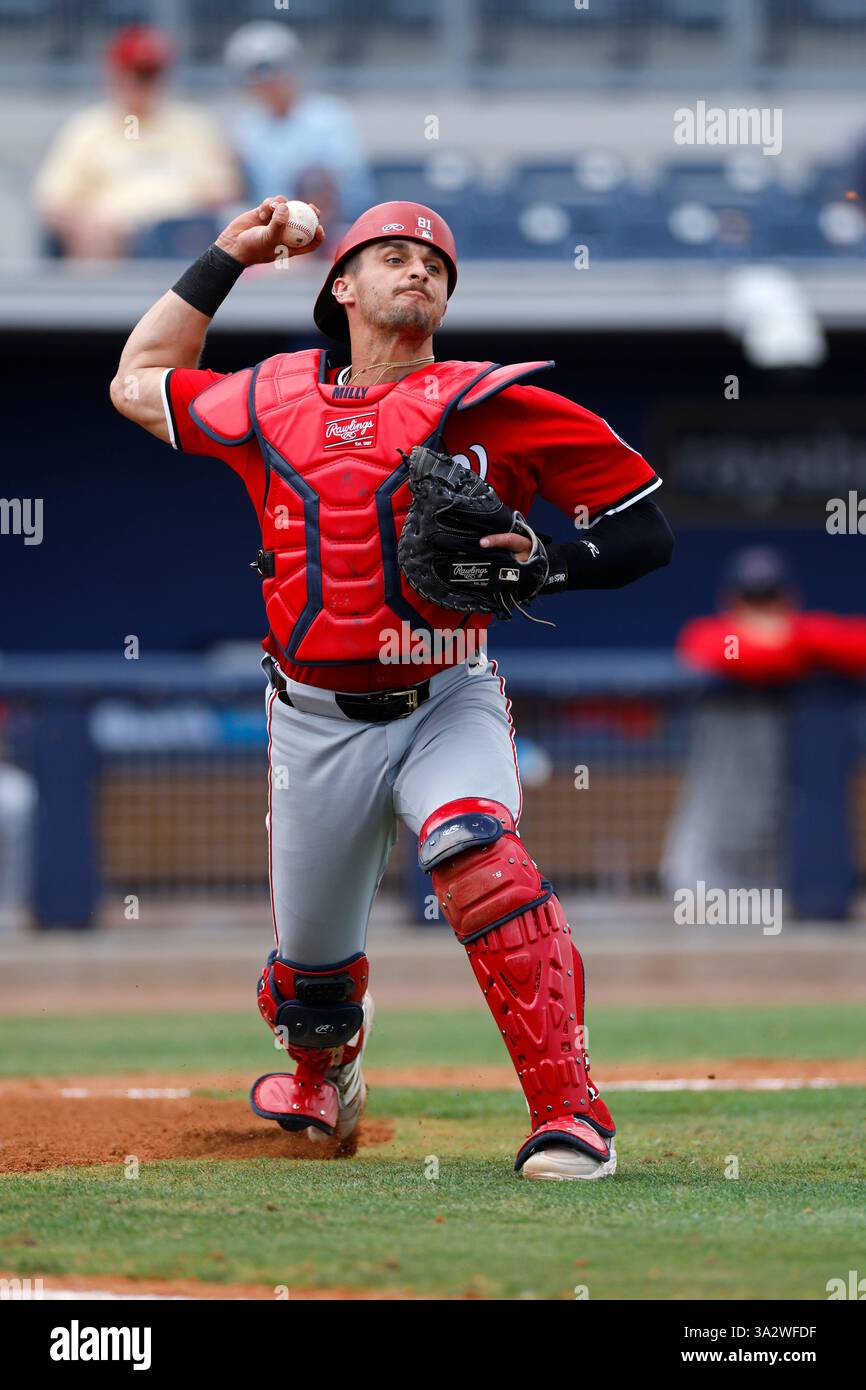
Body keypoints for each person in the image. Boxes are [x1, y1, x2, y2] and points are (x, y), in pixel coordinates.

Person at [110, 196, 674, 1181]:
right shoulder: (268, 397)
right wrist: (228, 255)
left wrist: (546, 566)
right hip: (311, 722)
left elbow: (641, 530)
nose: (417, 271)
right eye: (392, 255)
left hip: (443, 695)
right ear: (341, 282)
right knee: (309, 992)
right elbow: (136, 381)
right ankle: (326, 1067)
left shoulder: (494, 402)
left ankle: (569, 1115)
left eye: (435, 264)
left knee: (477, 853)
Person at [663, 547, 866, 893]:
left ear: (789, 599)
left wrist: (793, 636)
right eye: (751, 599)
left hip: (781, 853)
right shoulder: (713, 639)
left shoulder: (803, 638)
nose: (760, 610)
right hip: (712, 853)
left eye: (769, 597)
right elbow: (709, 647)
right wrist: (791, 645)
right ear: (730, 602)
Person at [35, 25, 240, 259]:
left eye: (151, 74)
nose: (144, 84)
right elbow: (54, 203)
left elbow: (223, 195)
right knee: (91, 240)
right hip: (113, 241)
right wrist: (84, 226)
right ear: (115, 75)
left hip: (179, 242)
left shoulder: (193, 126)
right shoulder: (87, 130)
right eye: (137, 74)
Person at [224, 22, 375, 234]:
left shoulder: (331, 115)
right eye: (255, 73)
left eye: (274, 69)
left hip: (333, 229)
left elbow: (332, 189)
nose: (268, 81)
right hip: (271, 231)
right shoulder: (247, 126)